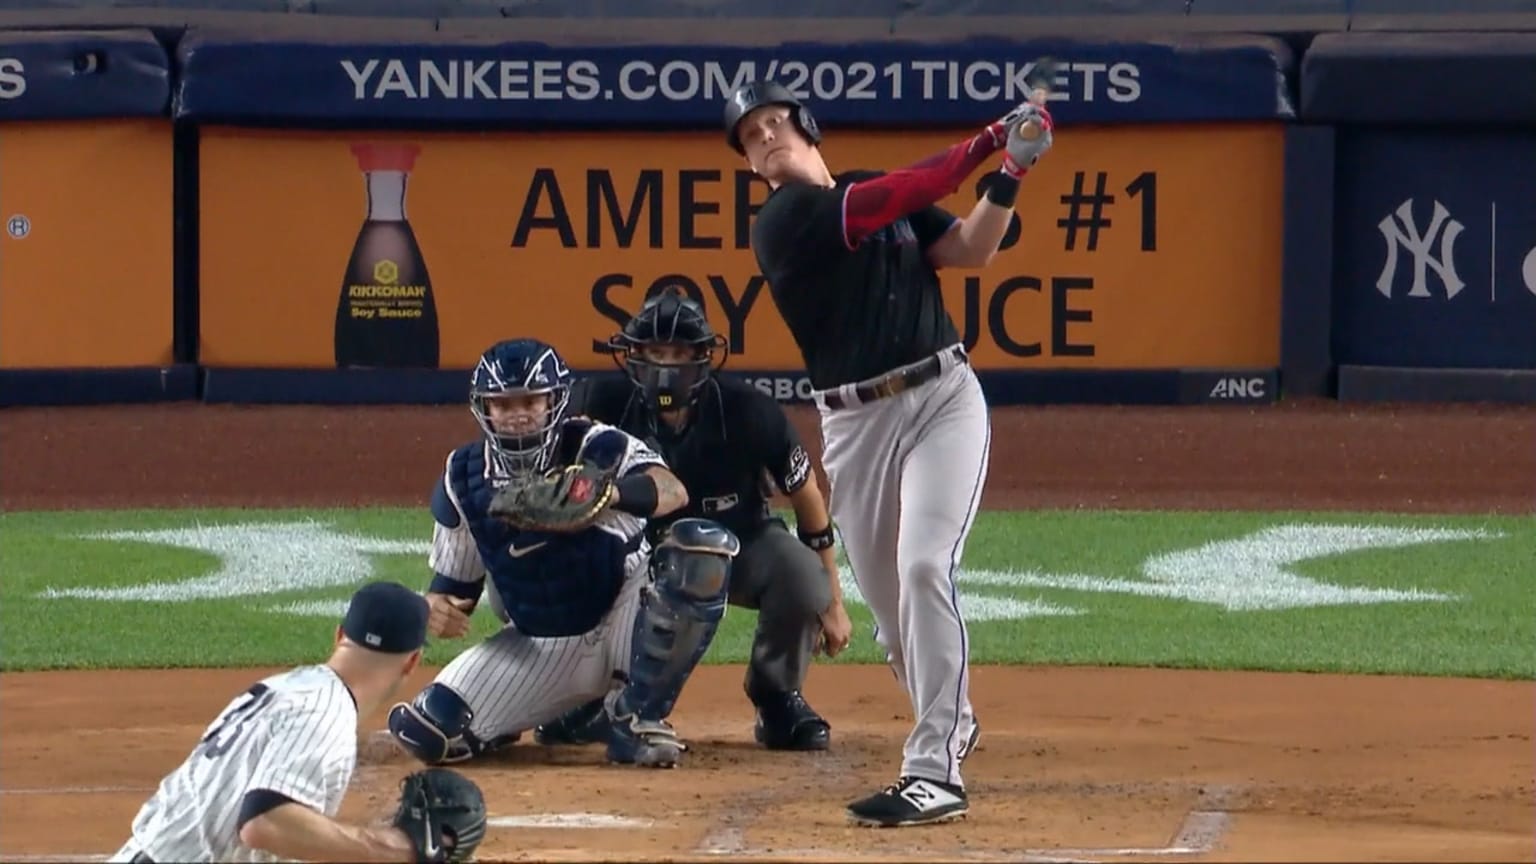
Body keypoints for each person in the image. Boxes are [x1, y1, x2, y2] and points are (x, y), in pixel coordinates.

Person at [720, 80, 1055, 827]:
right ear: (750, 163)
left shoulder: (871, 191)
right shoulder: (786, 220)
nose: (767, 136)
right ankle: (953, 717)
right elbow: (908, 191)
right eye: (751, 135)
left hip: (943, 398)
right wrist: (989, 140)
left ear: (807, 127)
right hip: (856, 426)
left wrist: (1014, 171)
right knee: (894, 615)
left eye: (776, 121)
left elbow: (970, 250)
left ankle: (934, 766)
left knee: (925, 565)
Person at [385, 337, 740, 771]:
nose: (517, 415)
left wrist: (607, 494)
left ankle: (637, 717)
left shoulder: (600, 445)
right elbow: (452, 589)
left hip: (626, 617)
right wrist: (434, 609)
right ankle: (575, 716)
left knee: (700, 549)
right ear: (485, 410)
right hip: (545, 645)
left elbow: (673, 490)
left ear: (554, 401)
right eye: (503, 404)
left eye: (530, 401)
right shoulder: (463, 478)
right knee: (431, 731)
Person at [533, 288, 853, 753]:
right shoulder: (597, 401)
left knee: (802, 577)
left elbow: (806, 495)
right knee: (566, 560)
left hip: (737, 544)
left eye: (680, 353)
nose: (667, 367)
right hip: (632, 554)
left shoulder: (749, 411)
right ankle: (590, 699)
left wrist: (834, 599)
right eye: (656, 352)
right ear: (634, 355)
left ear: (704, 357)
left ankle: (777, 696)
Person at [110, 580, 487, 863]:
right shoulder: (326, 714)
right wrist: (396, 849)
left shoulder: (288, 687)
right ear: (411, 661)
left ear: (339, 636)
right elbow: (265, 823)